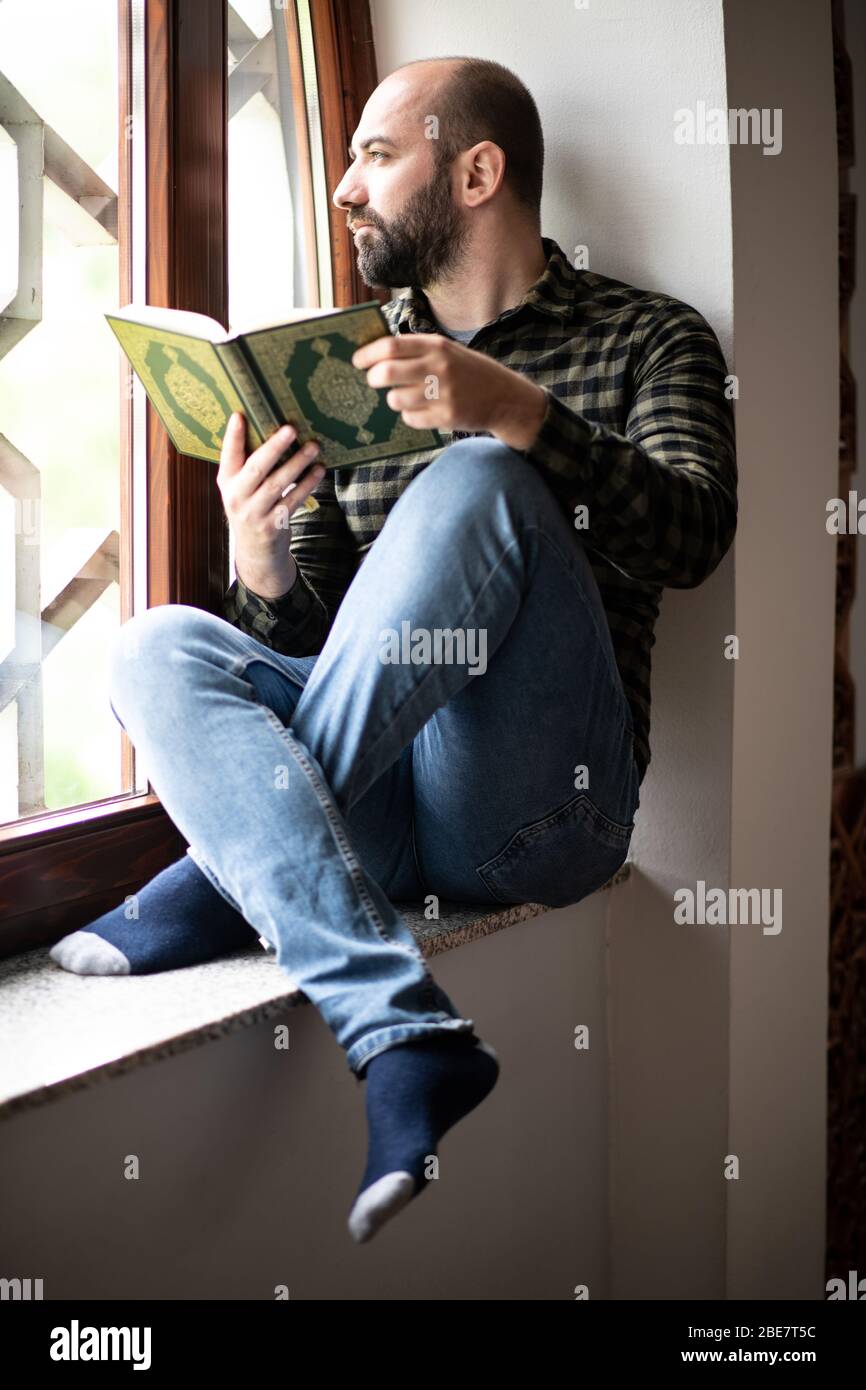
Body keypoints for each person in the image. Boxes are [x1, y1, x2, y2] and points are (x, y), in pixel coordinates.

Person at [50, 56, 737, 1243]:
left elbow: (691, 536)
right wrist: (260, 554)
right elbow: (331, 641)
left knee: (478, 474)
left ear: (474, 171)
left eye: (374, 154)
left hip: (538, 812)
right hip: (373, 814)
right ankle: (402, 1033)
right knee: (155, 645)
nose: (344, 190)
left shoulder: (645, 336)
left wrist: (512, 413)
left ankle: (223, 874)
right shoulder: (338, 376)